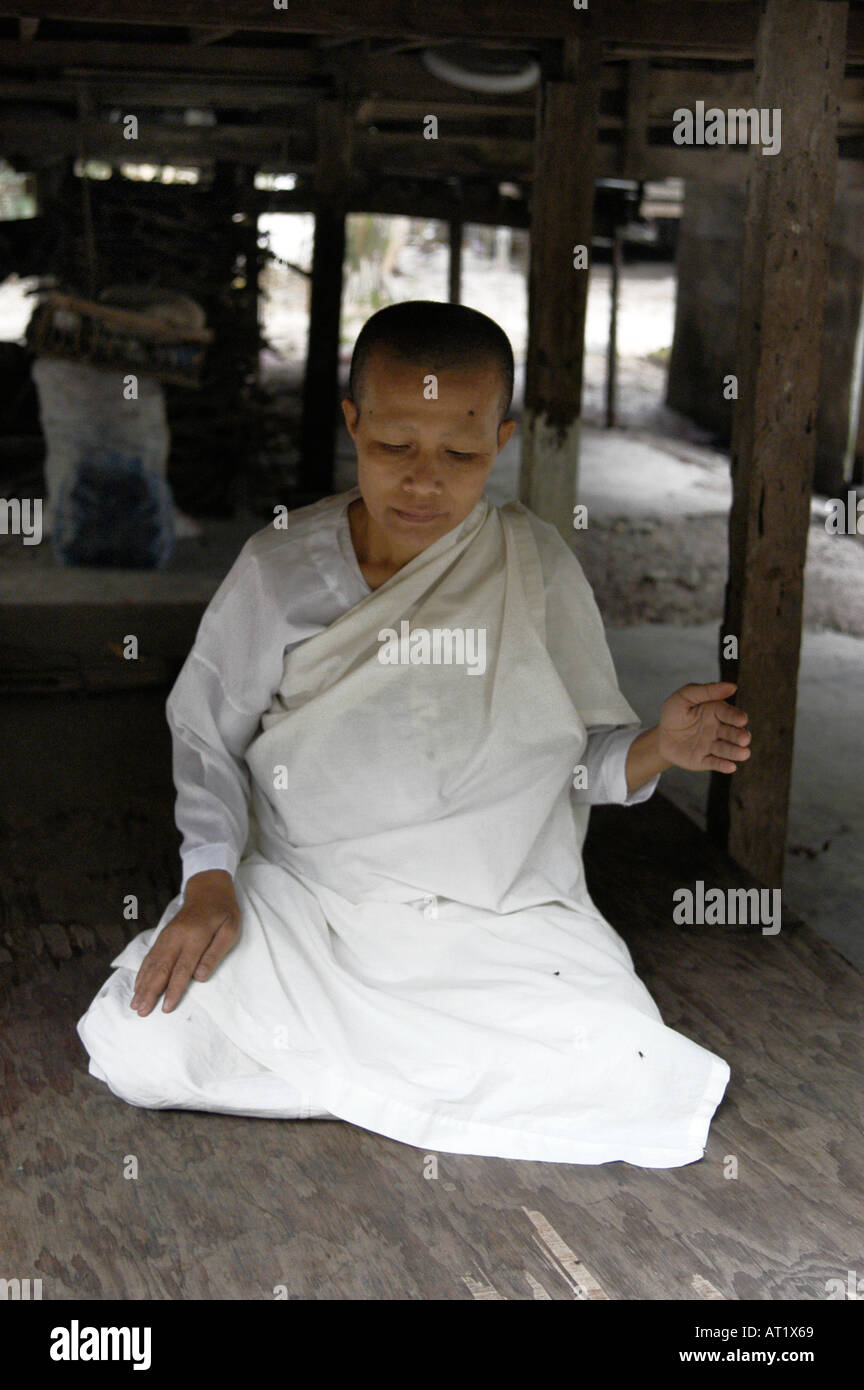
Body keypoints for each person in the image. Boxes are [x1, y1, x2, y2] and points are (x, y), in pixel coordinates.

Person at [77, 301, 752, 1166]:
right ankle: (418, 1079)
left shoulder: (533, 565)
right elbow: (205, 735)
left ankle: (349, 1071)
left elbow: (578, 762)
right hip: (311, 902)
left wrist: (665, 746)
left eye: (461, 454)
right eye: (395, 446)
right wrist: (209, 880)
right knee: (141, 1043)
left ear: (501, 442)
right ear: (352, 423)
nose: (424, 481)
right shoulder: (280, 565)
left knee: (623, 1062)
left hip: (499, 916)